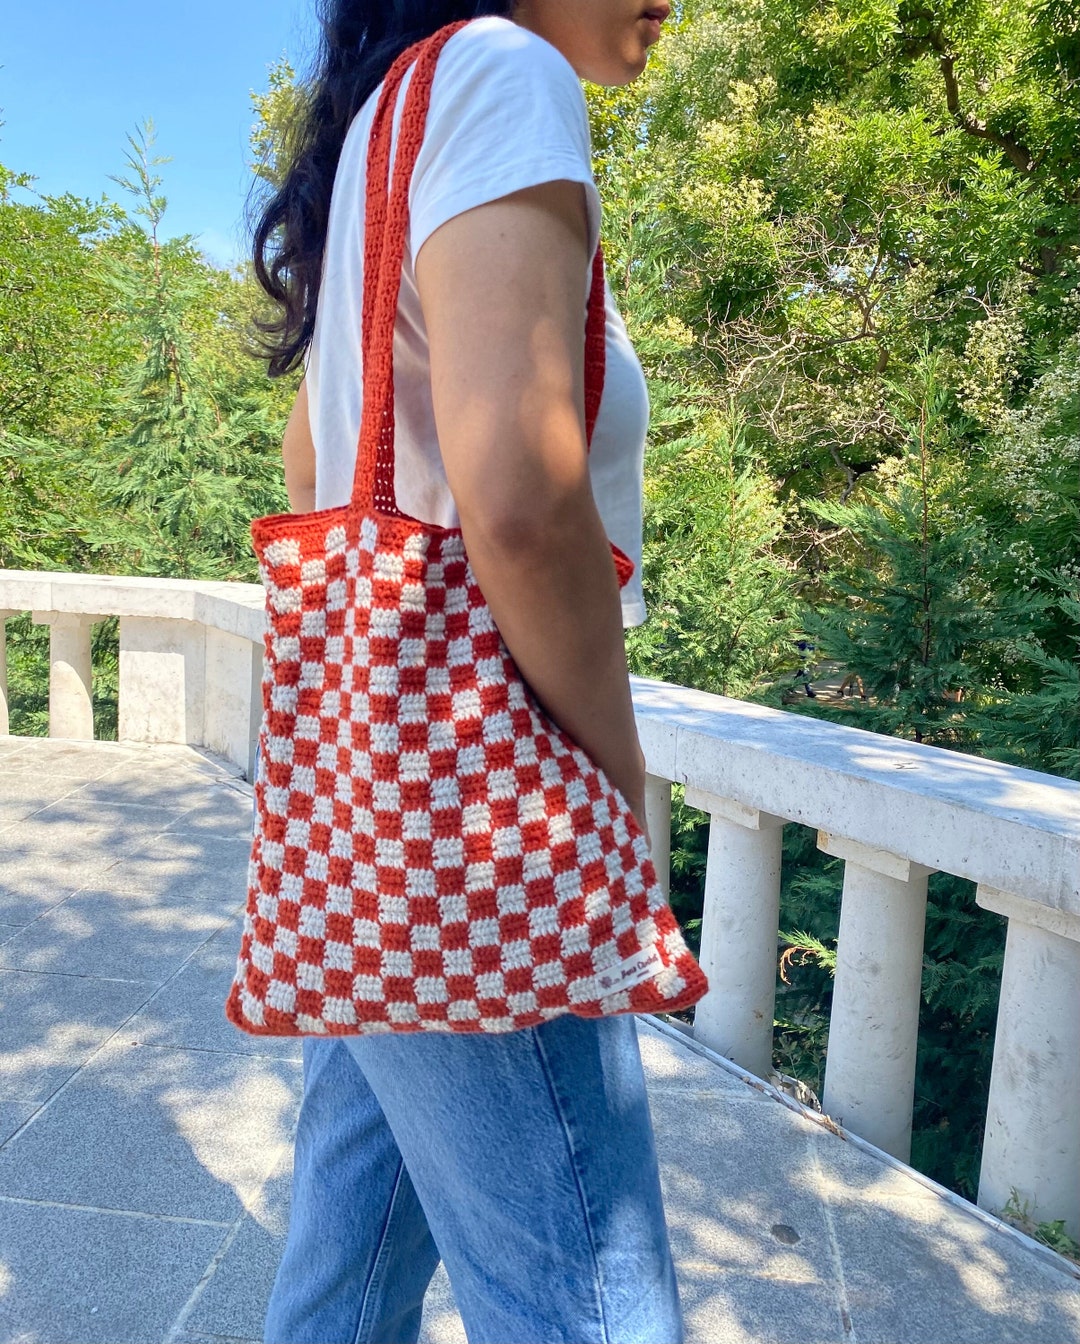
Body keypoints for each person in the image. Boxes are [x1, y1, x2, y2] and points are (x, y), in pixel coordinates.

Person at [250, 3, 683, 1341]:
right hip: (480, 836)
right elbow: (522, 501)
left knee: (348, 1264)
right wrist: (615, 792)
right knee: (588, 1303)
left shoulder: (385, 125)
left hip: (369, 832)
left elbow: (310, 471)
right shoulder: (503, 74)